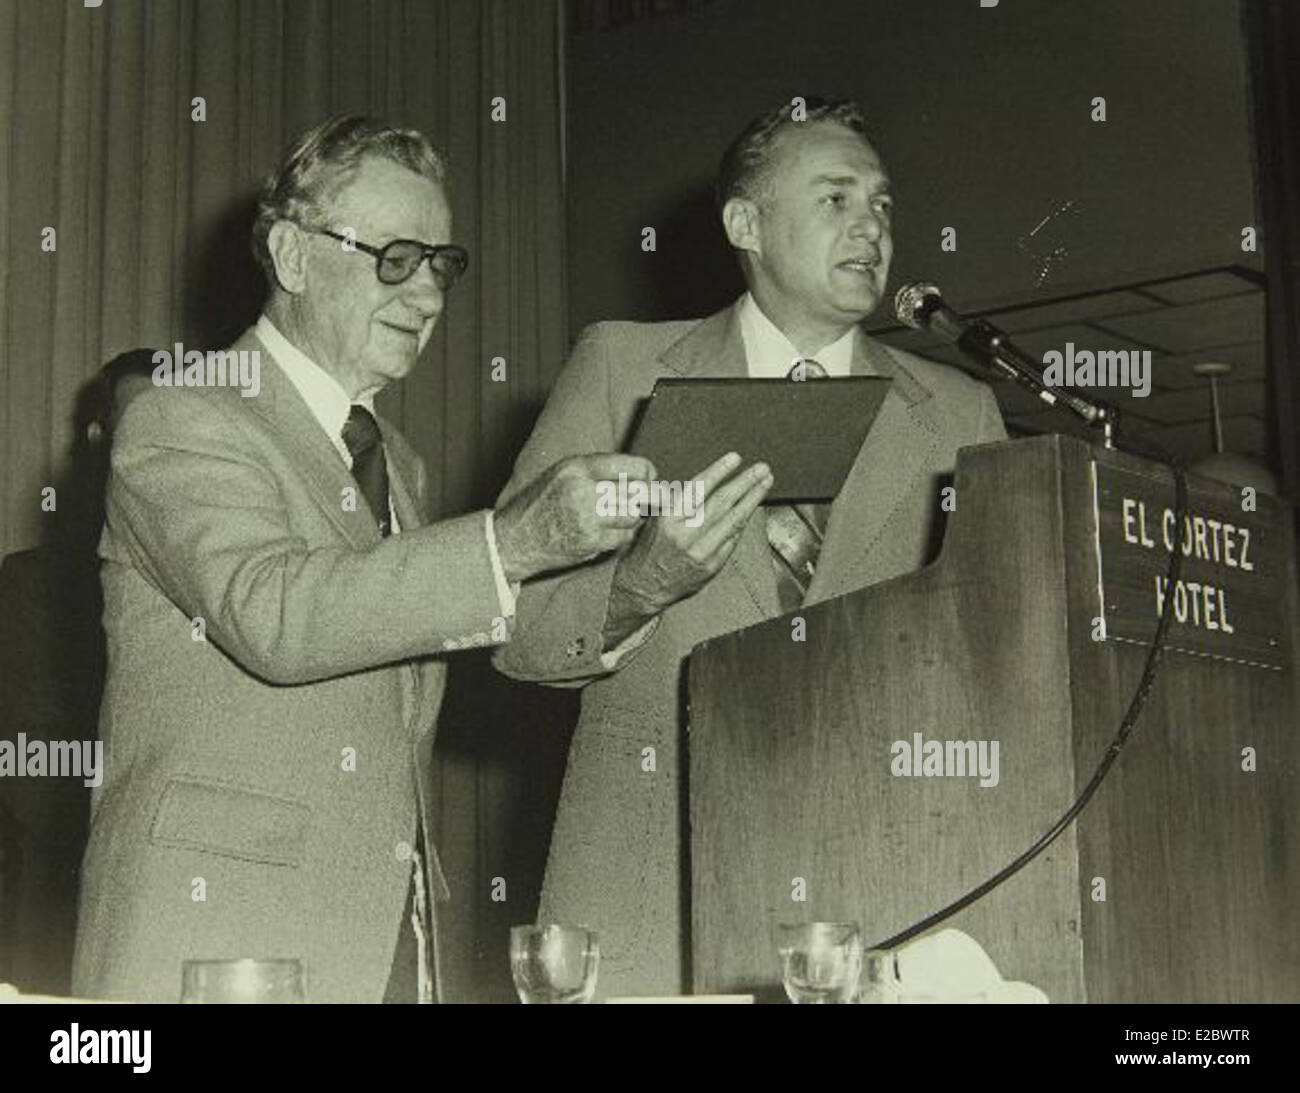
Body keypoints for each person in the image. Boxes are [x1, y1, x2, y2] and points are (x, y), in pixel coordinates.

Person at [70, 115, 652, 1003]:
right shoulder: (183, 414)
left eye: (442, 264)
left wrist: (652, 575)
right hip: (216, 940)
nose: (427, 295)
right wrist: (515, 538)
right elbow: (276, 615)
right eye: (396, 257)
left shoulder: (397, 461)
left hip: (380, 938)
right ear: (295, 259)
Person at [493, 97, 1008, 998]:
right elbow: (513, 626)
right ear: (746, 223)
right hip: (651, 876)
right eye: (836, 198)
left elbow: (998, 656)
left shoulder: (959, 413)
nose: (871, 228)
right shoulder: (621, 367)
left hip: (884, 878)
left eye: (882, 204)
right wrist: (637, 586)